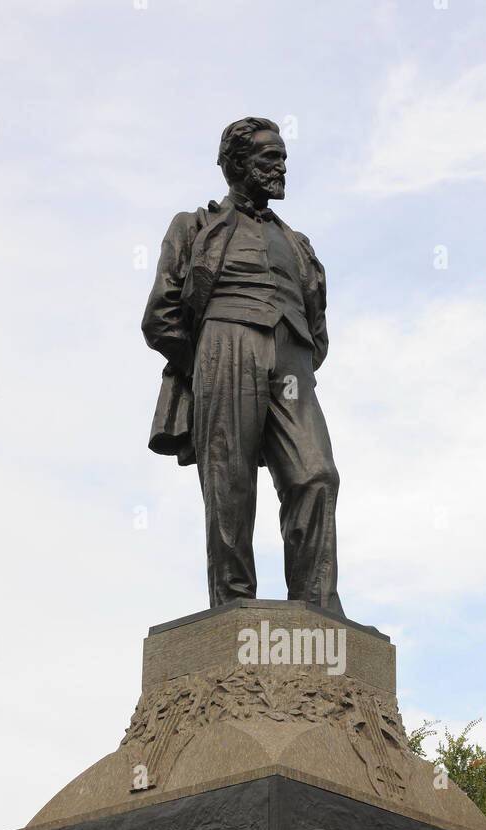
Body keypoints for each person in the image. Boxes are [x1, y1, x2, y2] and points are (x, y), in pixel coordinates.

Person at [143, 117, 342, 613]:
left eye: (283, 159)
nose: (281, 168)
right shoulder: (195, 226)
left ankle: (317, 604)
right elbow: (161, 316)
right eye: (269, 158)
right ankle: (233, 603)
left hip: (293, 359)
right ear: (236, 163)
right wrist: (207, 365)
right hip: (224, 345)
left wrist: (294, 355)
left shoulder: (297, 242)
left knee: (315, 474)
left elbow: (318, 326)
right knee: (229, 482)